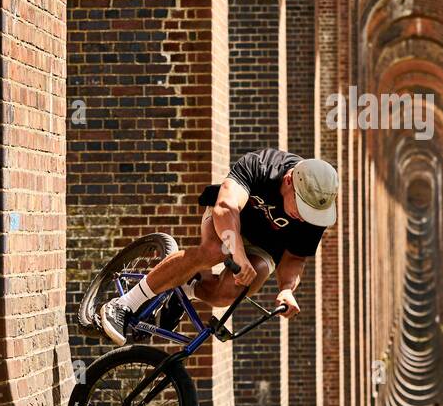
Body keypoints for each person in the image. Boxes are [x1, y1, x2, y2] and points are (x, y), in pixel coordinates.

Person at [95, 148, 339, 345]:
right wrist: (238, 253)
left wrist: (287, 289)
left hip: (266, 245)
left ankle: (185, 292)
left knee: (233, 292)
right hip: (230, 221)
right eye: (301, 207)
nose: (303, 217)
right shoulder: (262, 166)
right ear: (288, 181)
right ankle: (123, 303)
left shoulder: (315, 213)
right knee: (214, 251)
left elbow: (295, 259)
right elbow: (225, 208)